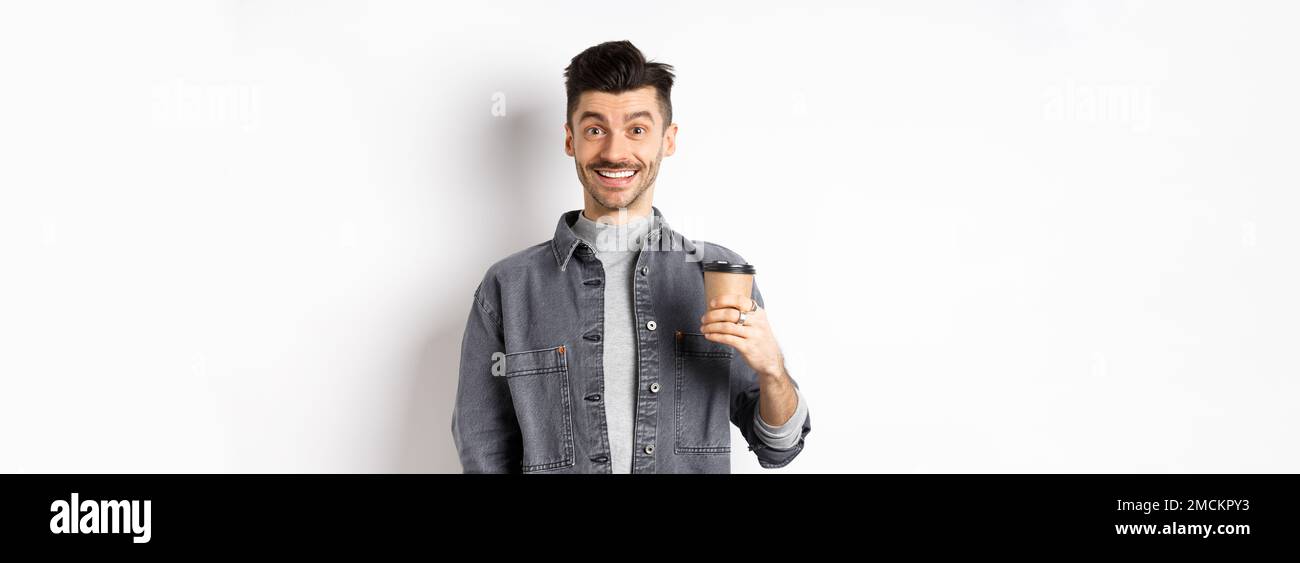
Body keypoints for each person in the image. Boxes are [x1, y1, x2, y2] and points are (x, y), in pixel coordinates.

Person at [451, 40, 811, 473]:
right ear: (571, 140)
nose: (615, 153)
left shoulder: (720, 275)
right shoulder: (508, 287)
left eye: (637, 130)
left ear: (668, 140)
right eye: (595, 129)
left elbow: (778, 449)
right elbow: (483, 448)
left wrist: (772, 369)